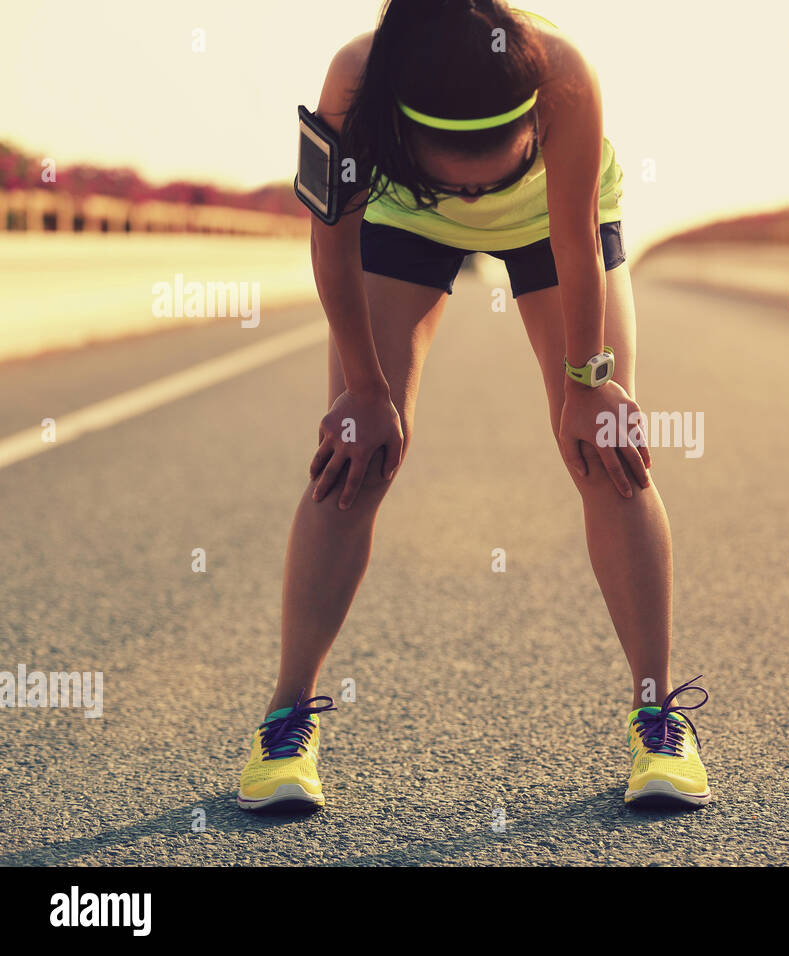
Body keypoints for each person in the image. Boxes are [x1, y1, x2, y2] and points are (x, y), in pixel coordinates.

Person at [237, 0, 711, 812]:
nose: (477, 191)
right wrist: (363, 388)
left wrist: (588, 384)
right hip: (400, 214)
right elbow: (332, 238)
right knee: (358, 452)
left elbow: (572, 238)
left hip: (548, 224)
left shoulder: (565, 74)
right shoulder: (355, 79)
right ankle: (285, 722)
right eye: (460, 175)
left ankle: (657, 717)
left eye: (495, 168)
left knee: (608, 450)